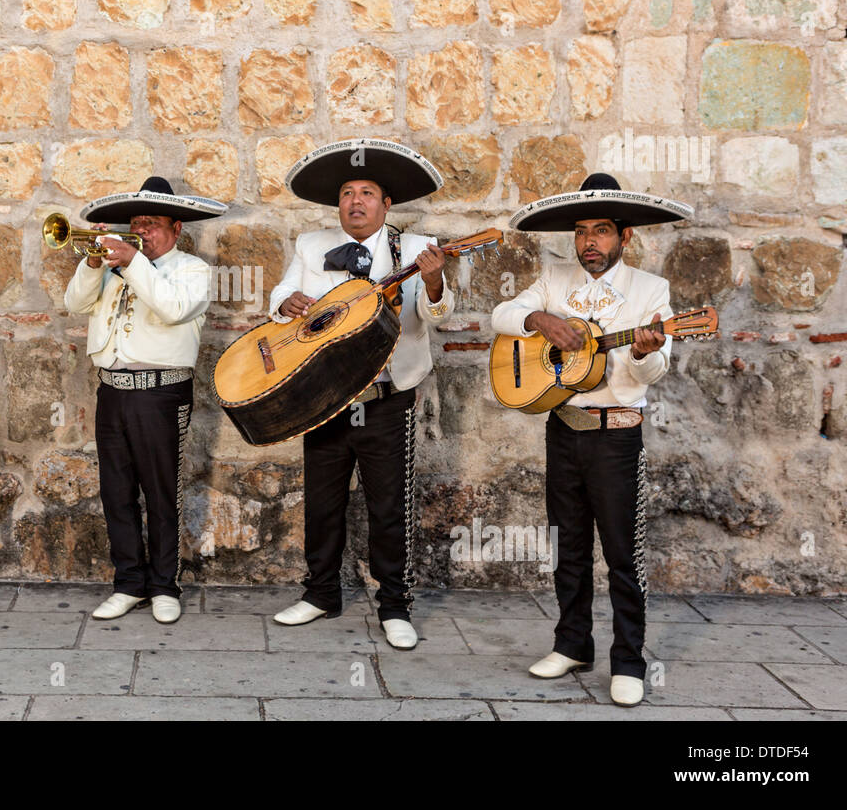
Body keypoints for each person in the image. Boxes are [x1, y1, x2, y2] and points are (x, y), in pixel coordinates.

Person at [491, 172, 692, 705]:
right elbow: (500, 315)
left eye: (601, 231)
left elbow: (654, 373)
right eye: (582, 231)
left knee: (624, 554)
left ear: (624, 238)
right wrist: (539, 320)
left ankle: (628, 660)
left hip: (617, 438)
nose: (589, 242)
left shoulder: (651, 291)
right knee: (568, 546)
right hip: (564, 430)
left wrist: (646, 351)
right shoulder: (555, 278)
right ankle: (572, 643)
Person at [268, 139, 453, 650]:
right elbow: (278, 296)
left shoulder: (416, 251)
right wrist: (288, 304)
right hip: (324, 399)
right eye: (348, 193)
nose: (355, 201)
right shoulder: (310, 245)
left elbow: (434, 317)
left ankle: (395, 605)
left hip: (387, 399)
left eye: (367, 193)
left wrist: (434, 285)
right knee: (322, 502)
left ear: (386, 204)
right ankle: (320, 593)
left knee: (388, 505)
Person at [64, 177, 227, 624]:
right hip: (112, 390)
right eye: (136, 224)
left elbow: (171, 308)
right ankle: (128, 583)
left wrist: (134, 259)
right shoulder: (114, 270)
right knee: (116, 493)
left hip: (161, 392)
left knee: (161, 492)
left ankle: (164, 585)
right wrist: (95, 263)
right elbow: (74, 302)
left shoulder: (192, 270)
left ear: (176, 229)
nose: (142, 231)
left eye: (151, 224)